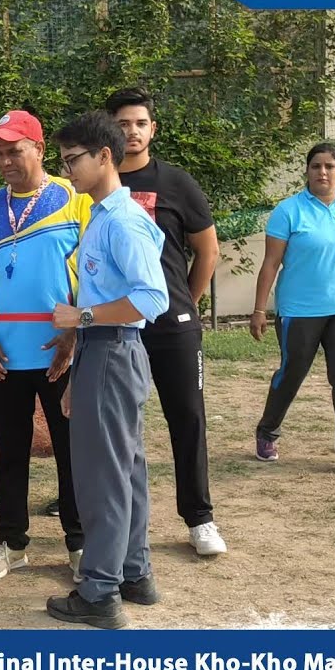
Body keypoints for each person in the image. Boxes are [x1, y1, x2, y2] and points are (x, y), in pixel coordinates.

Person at [47, 111, 168, 629]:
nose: (68, 170)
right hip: (105, 350)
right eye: (63, 161)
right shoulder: (101, 214)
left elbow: (150, 298)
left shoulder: (121, 219)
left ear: (103, 156)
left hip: (114, 346)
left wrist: (83, 317)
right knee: (126, 468)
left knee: (103, 477)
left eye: (73, 160)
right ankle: (133, 573)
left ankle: (99, 590)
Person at [0, 110, 90, 582]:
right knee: (10, 454)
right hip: (4, 355)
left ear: (38, 148)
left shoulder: (76, 199)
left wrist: (76, 333)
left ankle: (80, 543)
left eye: (15, 150)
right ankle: (10, 543)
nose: (6, 161)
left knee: (73, 450)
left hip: (63, 352)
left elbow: (97, 271)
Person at [105, 86, 226, 556]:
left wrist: (184, 306)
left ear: (153, 129)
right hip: (112, 325)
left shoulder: (177, 183)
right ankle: (100, 511)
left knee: (187, 418)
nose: (131, 132)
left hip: (172, 326)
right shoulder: (96, 183)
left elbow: (207, 251)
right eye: (122, 124)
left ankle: (199, 519)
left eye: (139, 123)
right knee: (110, 423)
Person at [250, 142, 335, 477]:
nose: (323, 172)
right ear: (306, 171)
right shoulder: (288, 211)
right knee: (292, 374)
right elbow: (270, 264)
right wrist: (260, 310)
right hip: (299, 312)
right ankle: (267, 432)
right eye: (316, 166)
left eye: (330, 166)